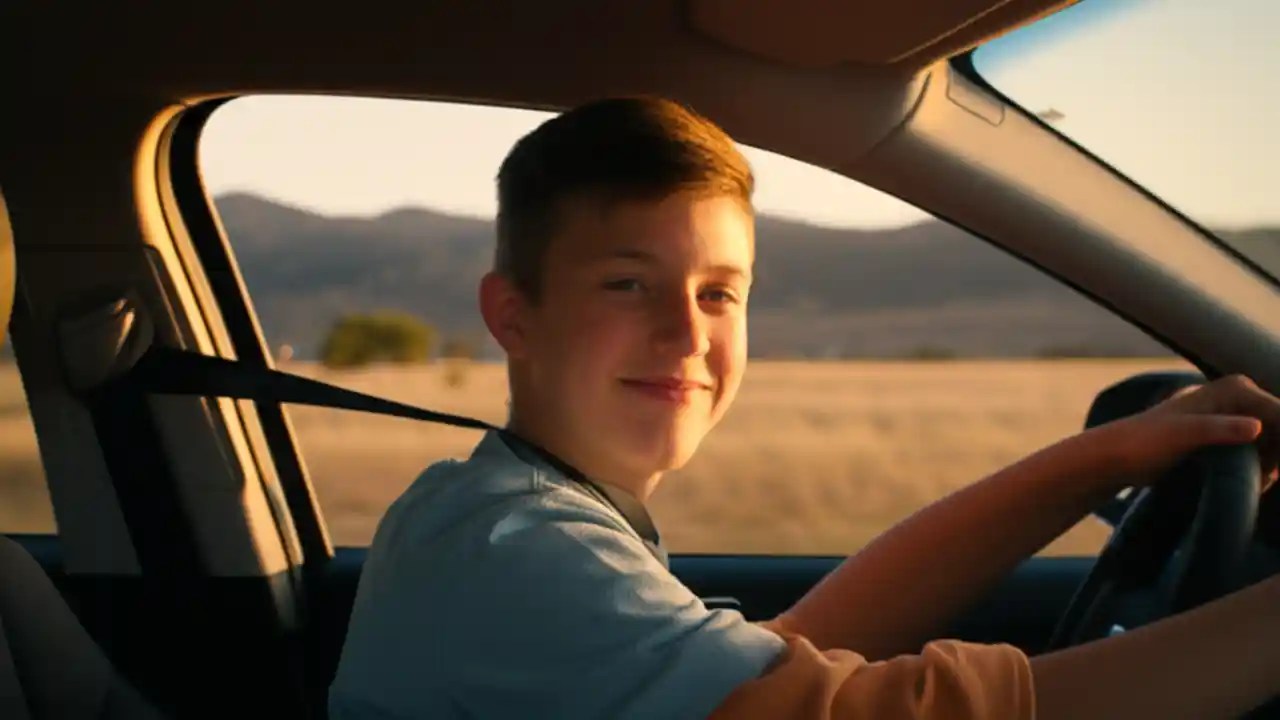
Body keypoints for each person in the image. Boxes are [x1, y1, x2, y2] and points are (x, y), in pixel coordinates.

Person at [328, 96, 1280, 719]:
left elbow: (792, 655)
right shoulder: (512, 551)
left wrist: (1098, 462)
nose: (686, 333)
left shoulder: (514, 513)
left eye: (719, 292)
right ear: (514, 316)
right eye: (628, 285)